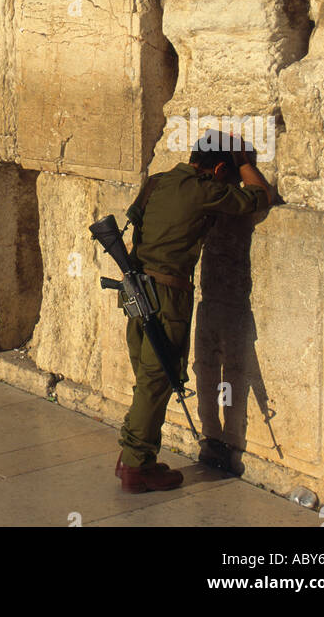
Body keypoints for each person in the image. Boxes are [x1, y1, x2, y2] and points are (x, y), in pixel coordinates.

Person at [116, 130, 275, 493]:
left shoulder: (157, 182)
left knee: (146, 379)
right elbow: (259, 197)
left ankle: (130, 452)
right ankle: (137, 467)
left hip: (134, 292)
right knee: (158, 381)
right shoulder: (204, 188)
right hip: (166, 298)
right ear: (218, 167)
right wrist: (244, 162)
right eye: (226, 172)